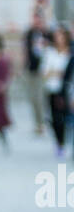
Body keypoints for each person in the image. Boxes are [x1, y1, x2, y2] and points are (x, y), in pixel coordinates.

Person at [41, 24, 72, 157]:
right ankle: (59, 143)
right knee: (54, 118)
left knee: (65, 117)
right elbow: (45, 72)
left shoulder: (70, 53)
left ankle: (65, 141)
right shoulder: (50, 52)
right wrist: (56, 72)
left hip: (67, 90)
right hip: (53, 89)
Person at [23, 4, 49, 136]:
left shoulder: (46, 33)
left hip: (42, 70)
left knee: (39, 97)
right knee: (32, 98)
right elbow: (25, 51)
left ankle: (42, 123)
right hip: (30, 69)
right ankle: (37, 123)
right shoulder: (29, 33)